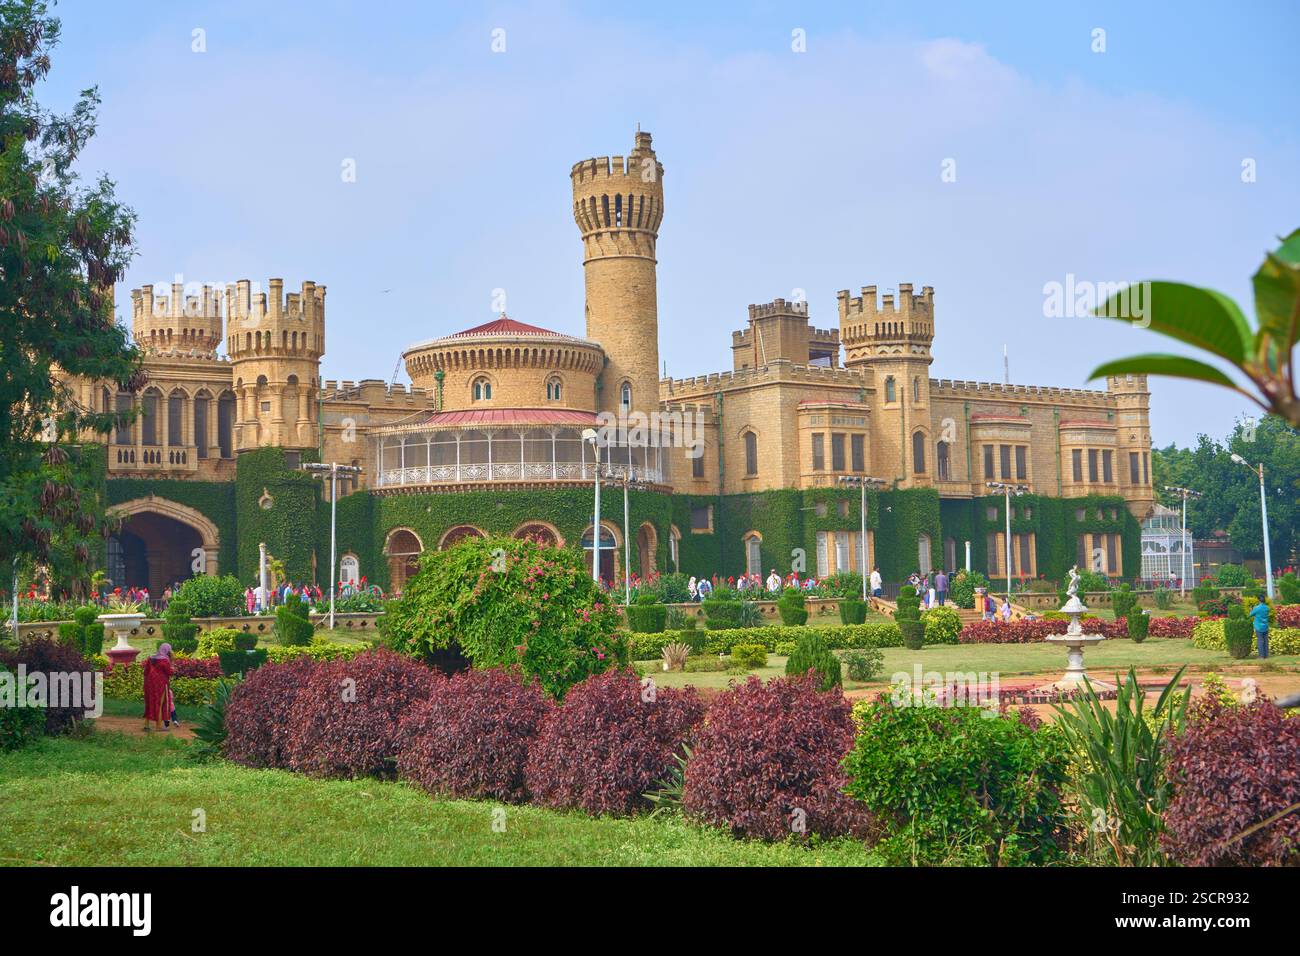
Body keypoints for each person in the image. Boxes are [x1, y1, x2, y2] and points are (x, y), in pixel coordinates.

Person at [142, 643, 174, 733]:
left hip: (149, 683)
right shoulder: (164, 660)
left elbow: (146, 671)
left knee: (150, 702)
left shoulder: (151, 658)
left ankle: (146, 725)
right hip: (160, 683)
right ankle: (158, 726)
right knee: (159, 703)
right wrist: (172, 663)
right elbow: (170, 672)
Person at [1250, 593, 1271, 659]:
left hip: (1258, 627)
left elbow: (1250, 614)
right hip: (1265, 626)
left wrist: (1251, 609)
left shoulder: (1257, 608)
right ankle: (1266, 655)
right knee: (1266, 641)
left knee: (1260, 641)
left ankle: (1261, 656)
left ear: (1258, 600)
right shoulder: (1267, 608)